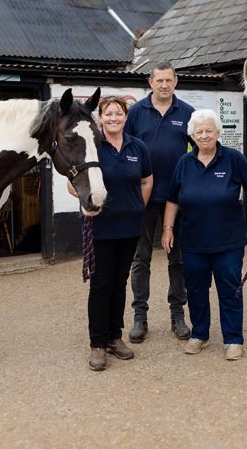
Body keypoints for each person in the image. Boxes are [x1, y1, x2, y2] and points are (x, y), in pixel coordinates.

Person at [161, 109, 247, 361]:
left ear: (217, 133)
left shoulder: (232, 158)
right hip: (192, 241)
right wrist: (168, 229)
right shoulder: (184, 163)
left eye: (209, 131)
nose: (204, 136)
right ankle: (200, 334)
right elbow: (172, 199)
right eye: (199, 131)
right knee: (196, 290)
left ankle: (233, 339)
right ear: (192, 135)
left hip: (227, 242)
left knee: (230, 289)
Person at [68, 96, 153, 371]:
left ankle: (115, 337)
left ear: (126, 117)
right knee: (101, 284)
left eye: (119, 113)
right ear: (100, 119)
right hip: (101, 226)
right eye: (108, 114)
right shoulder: (92, 145)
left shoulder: (137, 146)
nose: (114, 118)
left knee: (120, 281)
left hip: (129, 227)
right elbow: (73, 183)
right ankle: (98, 344)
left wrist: (138, 206)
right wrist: (86, 201)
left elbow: (147, 179)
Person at [124, 62, 195, 343]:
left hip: (177, 200)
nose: (164, 85)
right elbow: (123, 148)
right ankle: (139, 316)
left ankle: (178, 315)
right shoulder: (135, 113)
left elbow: (202, 147)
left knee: (177, 260)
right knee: (140, 260)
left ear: (176, 81)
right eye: (159, 80)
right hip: (142, 199)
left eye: (169, 80)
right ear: (150, 82)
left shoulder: (188, 113)